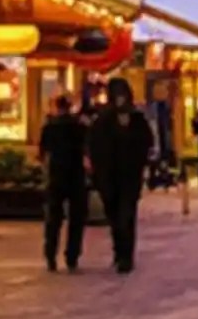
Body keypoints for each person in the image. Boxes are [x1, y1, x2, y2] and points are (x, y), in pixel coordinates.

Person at [87, 78, 154, 274]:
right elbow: (94, 145)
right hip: (108, 176)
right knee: (114, 216)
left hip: (130, 176)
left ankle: (126, 256)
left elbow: (147, 143)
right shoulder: (103, 120)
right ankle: (118, 250)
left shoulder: (137, 119)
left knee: (127, 215)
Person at [39, 94, 87, 273]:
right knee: (76, 218)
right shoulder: (79, 126)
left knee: (53, 218)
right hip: (76, 175)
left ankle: (51, 255)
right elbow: (86, 149)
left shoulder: (50, 127)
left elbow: (43, 153)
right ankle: (72, 256)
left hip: (56, 175)